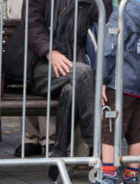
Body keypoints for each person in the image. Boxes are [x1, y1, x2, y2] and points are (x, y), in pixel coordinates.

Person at [84, 0, 140, 184]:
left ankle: (108, 176)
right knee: (138, 130)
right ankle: (131, 178)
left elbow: (110, 47)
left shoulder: (124, 11)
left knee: (110, 126)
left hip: (121, 81)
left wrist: (103, 78)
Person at [24, 0, 100, 165]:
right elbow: (32, 26)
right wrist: (49, 52)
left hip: (72, 67)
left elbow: (104, 23)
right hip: (39, 66)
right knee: (84, 73)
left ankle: (58, 155)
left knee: (71, 90)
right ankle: (95, 146)